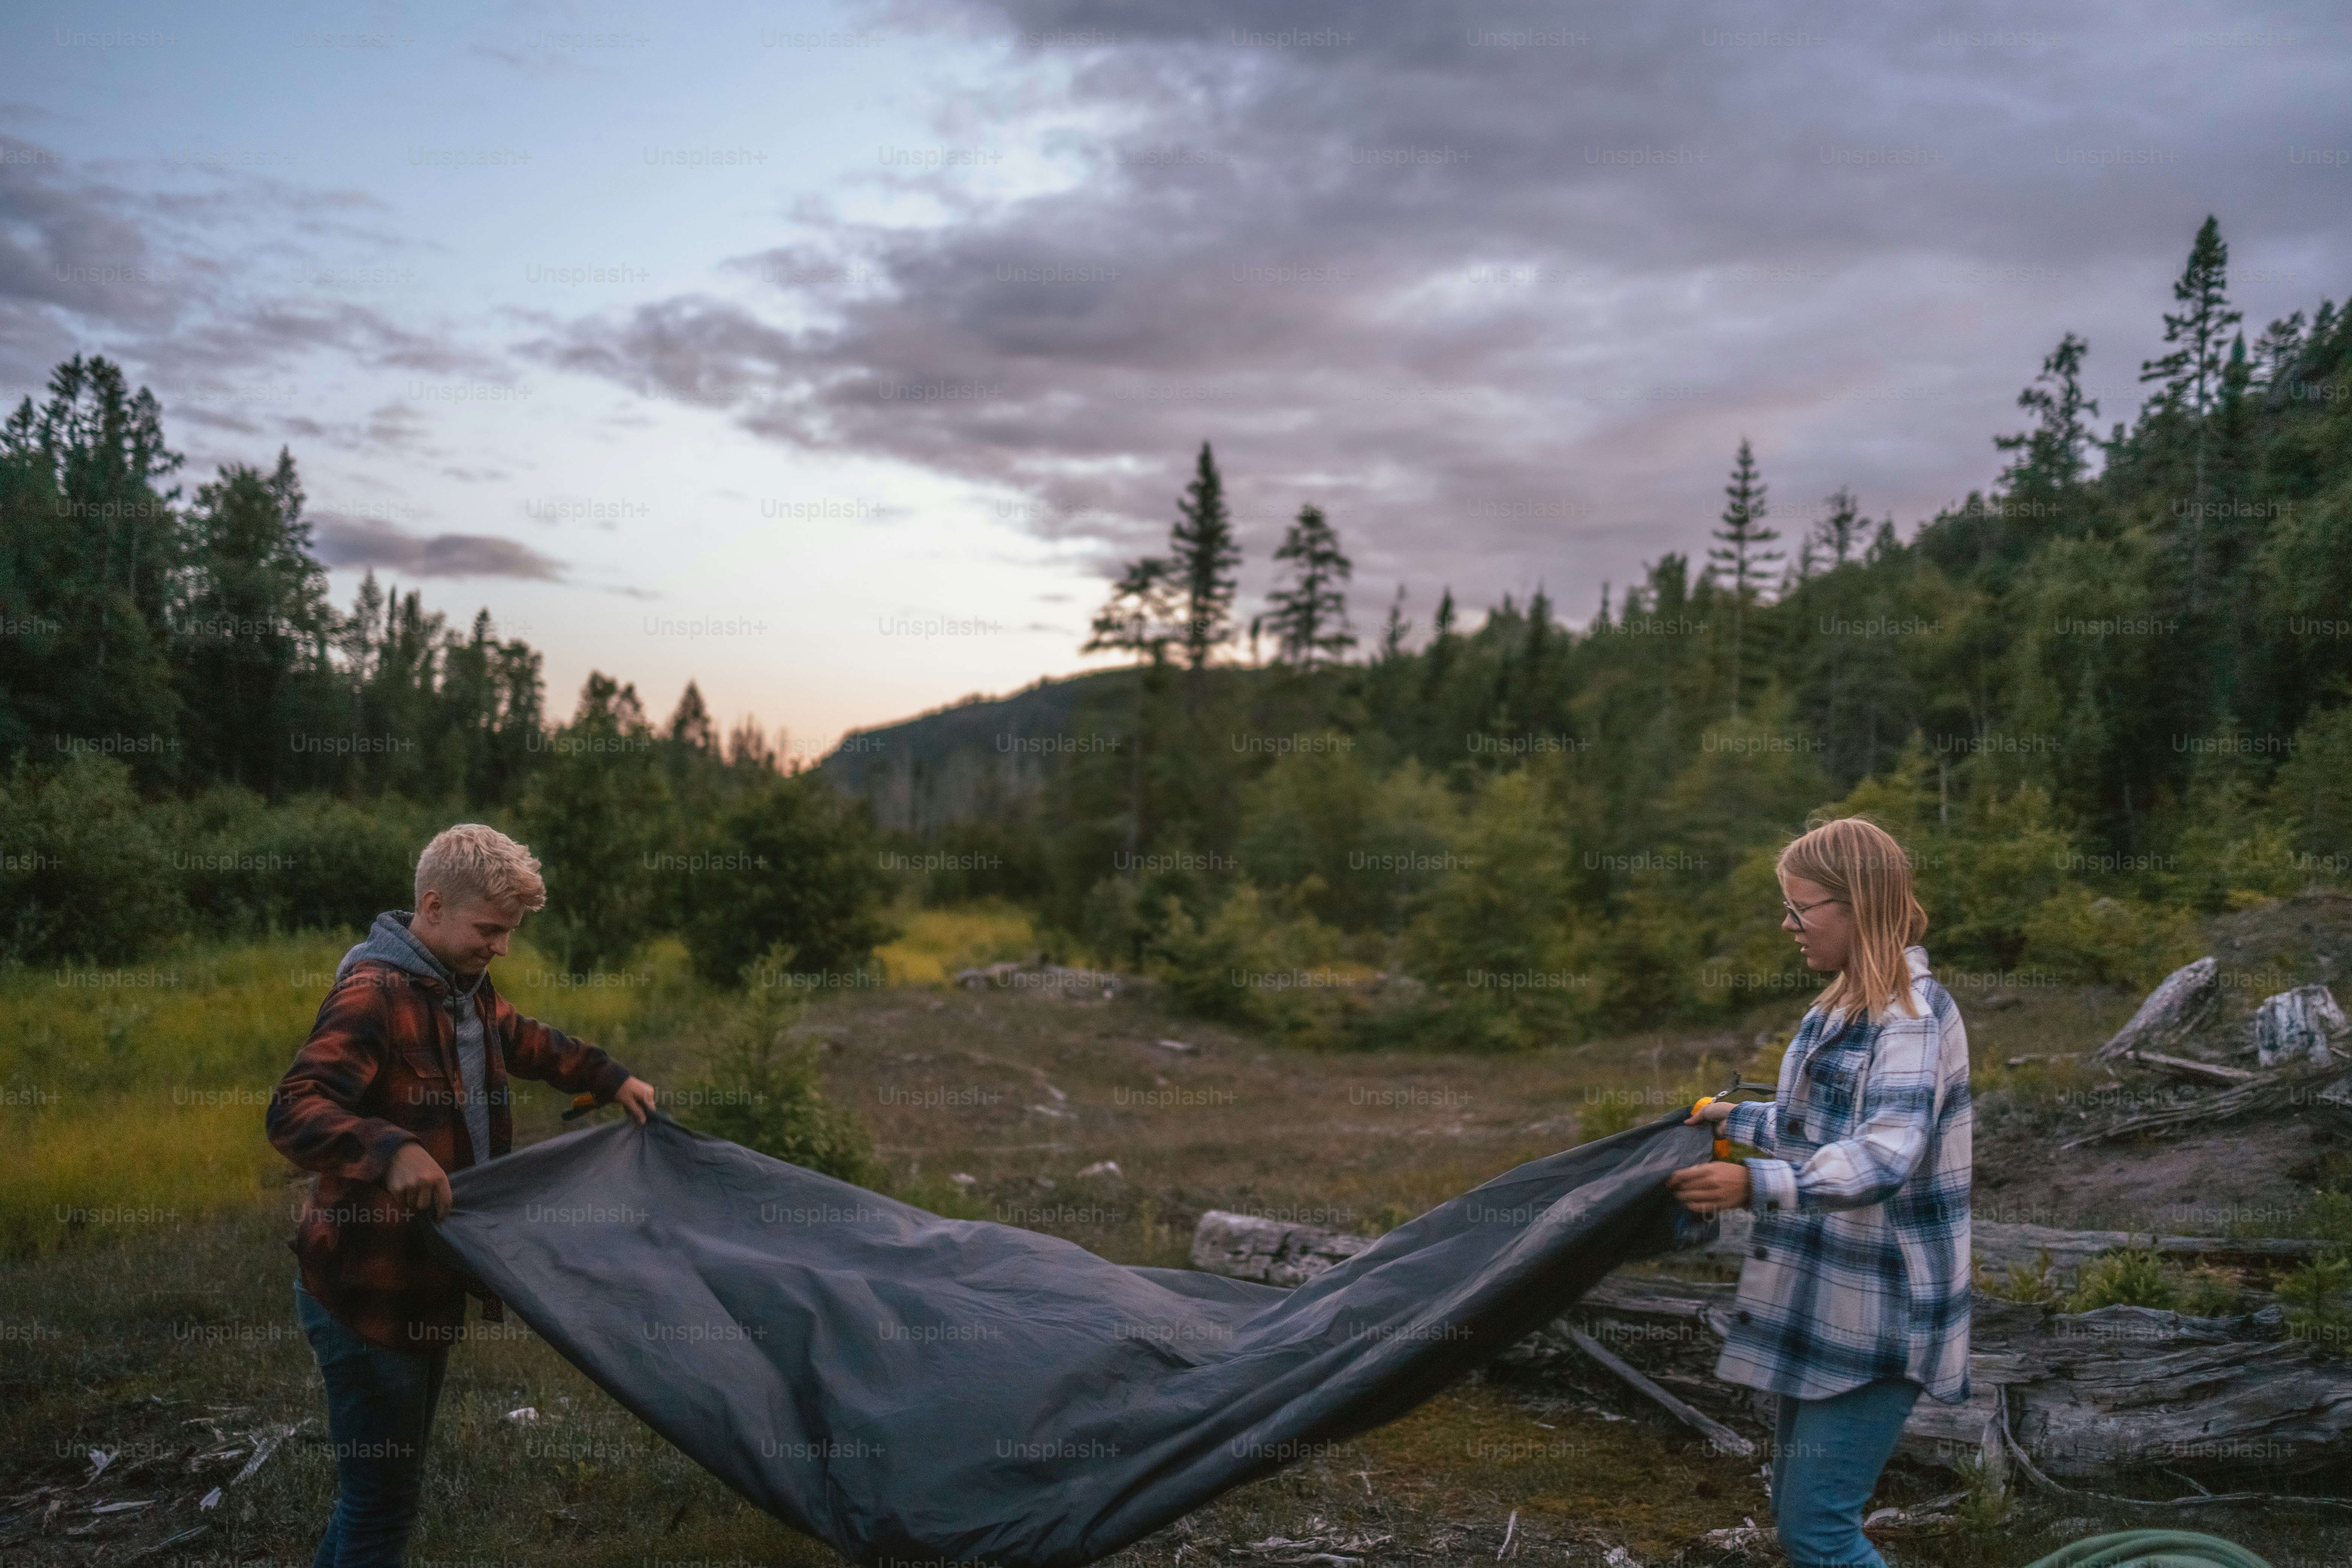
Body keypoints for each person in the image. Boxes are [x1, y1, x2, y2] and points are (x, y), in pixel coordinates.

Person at [266, 823, 660, 1568]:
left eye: (509, 933)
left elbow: (529, 1040)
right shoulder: (374, 994)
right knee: (380, 1507)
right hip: (365, 1294)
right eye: (491, 930)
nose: (501, 947)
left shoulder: (466, 991)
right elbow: (295, 1108)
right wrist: (390, 1150)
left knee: (380, 1498)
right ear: (434, 904)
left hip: (424, 1285)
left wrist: (610, 1077)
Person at [1667, 816, 1971, 1568]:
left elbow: (1883, 1156)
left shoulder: (1910, 1017)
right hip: (1828, 1303)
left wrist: (1753, 1182)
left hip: (1881, 1315)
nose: (1788, 923)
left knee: (1818, 1530)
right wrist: (1735, 1120)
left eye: (1801, 909)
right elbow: (1817, 1128)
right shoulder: (1844, 1007)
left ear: (1857, 904)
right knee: (1800, 1514)